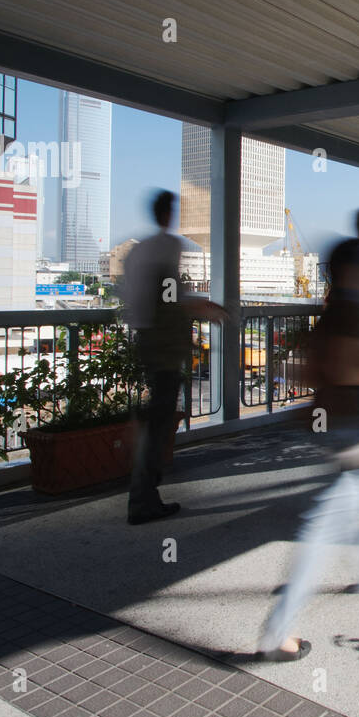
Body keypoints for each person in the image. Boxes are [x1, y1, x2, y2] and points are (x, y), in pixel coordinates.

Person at [255, 208, 359, 663]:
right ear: (351, 271)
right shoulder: (348, 313)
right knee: (324, 527)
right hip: (353, 426)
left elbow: (301, 368)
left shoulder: (333, 310)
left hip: (336, 422)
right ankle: (277, 632)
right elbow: (346, 369)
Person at [121, 190, 226, 525]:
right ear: (169, 213)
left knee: (156, 417)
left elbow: (139, 297)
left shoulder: (136, 250)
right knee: (159, 421)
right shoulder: (167, 247)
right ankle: (143, 499)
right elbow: (169, 296)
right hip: (164, 344)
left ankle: (143, 493)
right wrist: (205, 308)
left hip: (146, 340)